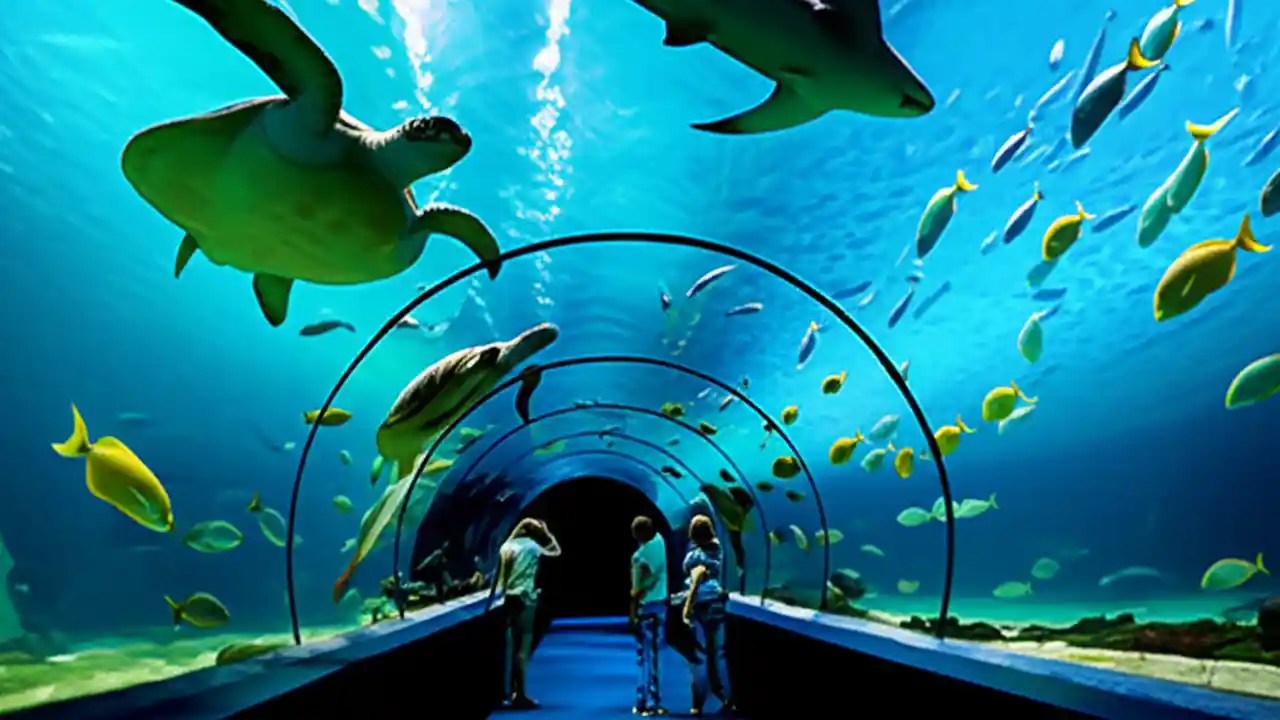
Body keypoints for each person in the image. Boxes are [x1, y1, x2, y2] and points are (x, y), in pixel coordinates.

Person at [496, 517, 561, 709]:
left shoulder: (506, 546)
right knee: (522, 647)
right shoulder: (533, 547)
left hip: (507, 599)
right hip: (525, 598)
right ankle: (520, 694)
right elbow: (556, 552)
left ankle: (506, 691)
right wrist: (547, 534)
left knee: (508, 647)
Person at [680, 515, 736, 716]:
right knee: (719, 654)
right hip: (717, 605)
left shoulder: (697, 556)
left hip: (700, 606)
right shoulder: (719, 549)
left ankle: (697, 703)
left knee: (700, 656)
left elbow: (696, 579)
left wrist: (687, 607)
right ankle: (727, 697)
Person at [629, 515, 669, 717]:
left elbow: (635, 591)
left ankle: (642, 701)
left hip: (646, 608)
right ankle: (652, 700)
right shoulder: (660, 542)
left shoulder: (639, 556)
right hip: (661, 605)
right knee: (654, 655)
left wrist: (632, 615)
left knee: (644, 656)